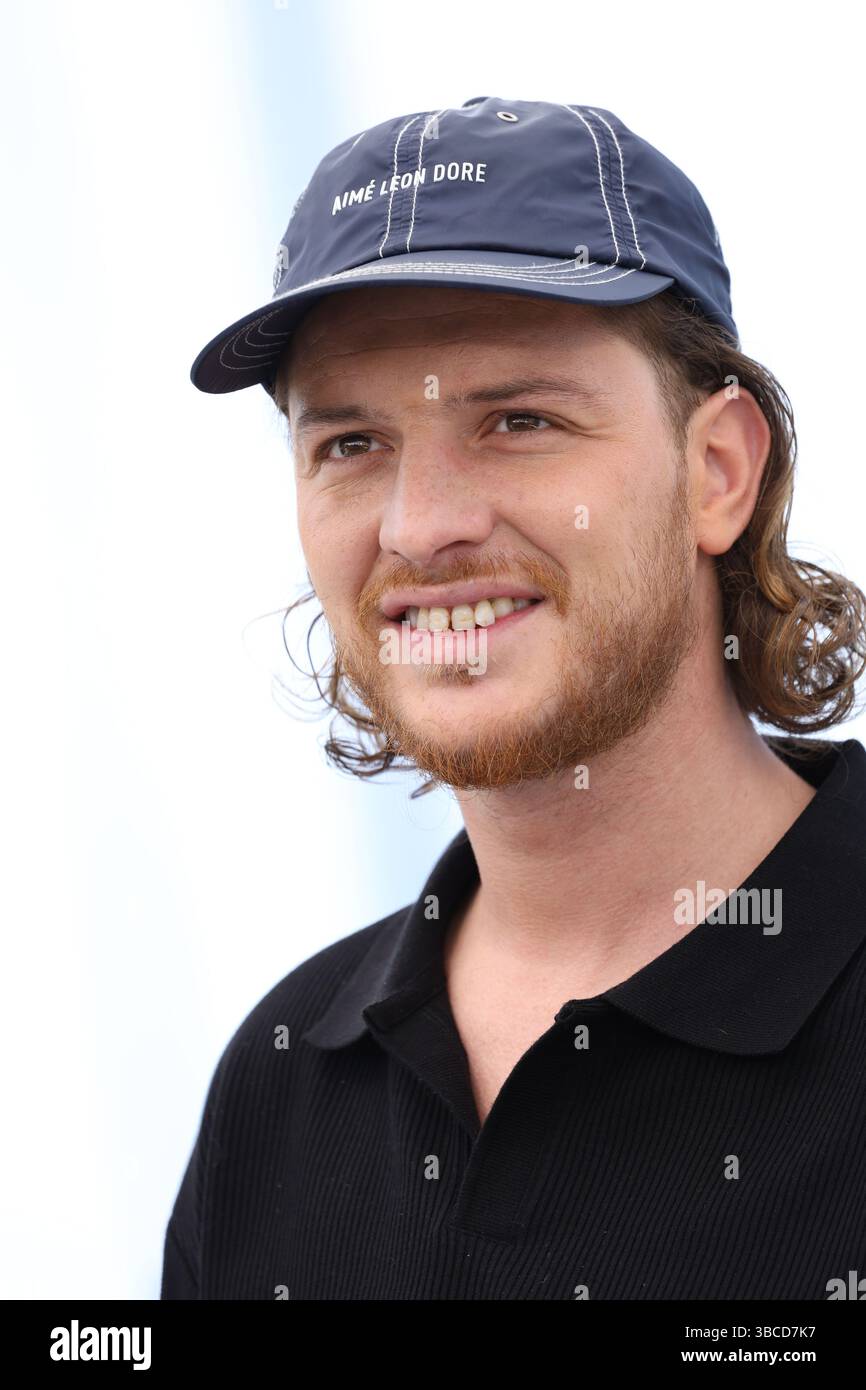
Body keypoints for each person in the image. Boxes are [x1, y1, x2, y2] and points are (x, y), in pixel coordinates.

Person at [162, 97, 866, 1300]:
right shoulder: (280, 1086)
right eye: (349, 445)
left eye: (519, 420)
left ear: (716, 473)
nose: (421, 525)